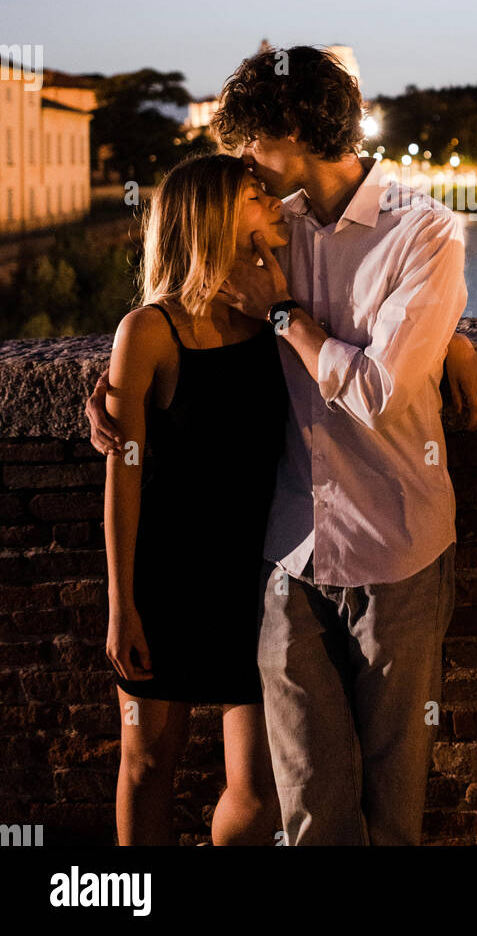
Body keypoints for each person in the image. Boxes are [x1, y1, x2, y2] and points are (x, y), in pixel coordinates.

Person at [88, 50, 477, 845]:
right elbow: (185, 302)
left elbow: (378, 390)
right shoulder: (279, 227)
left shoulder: (424, 229)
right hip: (288, 559)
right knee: (306, 814)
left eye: (251, 147)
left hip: (397, 549)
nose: (244, 164)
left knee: (394, 811)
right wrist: (111, 396)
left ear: (295, 131)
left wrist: (442, 335)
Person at [102, 153, 289, 846]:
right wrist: (123, 606)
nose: (272, 202)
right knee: (149, 761)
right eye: (253, 195)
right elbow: (122, 480)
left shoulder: (281, 311)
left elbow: (374, 316)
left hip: (260, 576)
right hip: (166, 578)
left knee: (259, 788)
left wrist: (451, 341)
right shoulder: (149, 331)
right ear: (211, 216)